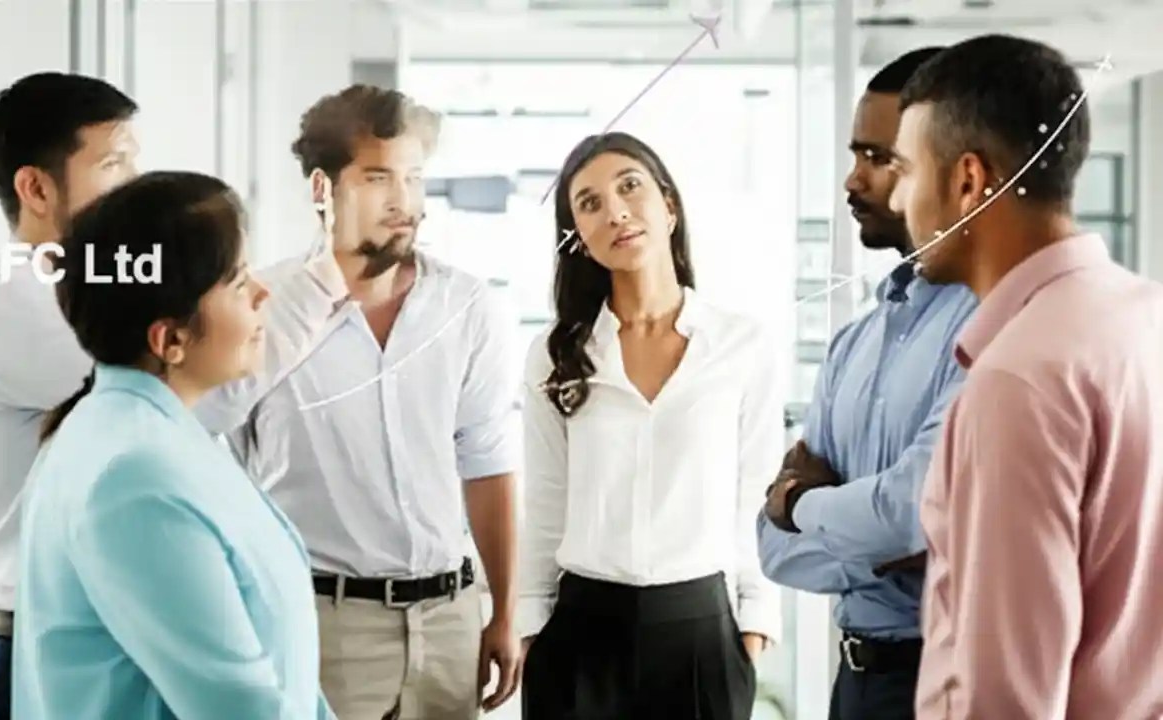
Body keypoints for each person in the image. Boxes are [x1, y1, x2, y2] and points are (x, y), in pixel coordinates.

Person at [195, 84, 522, 720]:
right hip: (323, 626)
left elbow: (485, 461)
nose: (403, 200)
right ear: (323, 189)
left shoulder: (467, 306)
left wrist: (504, 611)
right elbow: (208, 426)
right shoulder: (260, 303)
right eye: (378, 178)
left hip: (449, 623)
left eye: (414, 178)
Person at [887, 34, 1163, 719]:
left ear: (968, 182)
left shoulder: (1020, 380)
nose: (897, 202)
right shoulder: (1145, 318)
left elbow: (1007, 699)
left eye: (904, 171)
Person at [12, 170, 337, 720]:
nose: (264, 293)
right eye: (237, 282)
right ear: (171, 339)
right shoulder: (136, 477)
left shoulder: (152, 434)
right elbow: (239, 706)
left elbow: (280, 682)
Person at [516, 131, 782, 719]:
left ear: (668, 204)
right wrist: (532, 628)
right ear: (579, 238)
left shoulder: (740, 344)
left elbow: (754, 495)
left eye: (629, 187)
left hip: (701, 630)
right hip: (580, 633)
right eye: (589, 203)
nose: (615, 211)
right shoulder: (557, 355)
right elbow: (545, 500)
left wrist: (754, 624)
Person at [756, 48, 978, 720]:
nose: (852, 181)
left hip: (949, 677)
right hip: (855, 683)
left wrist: (805, 506)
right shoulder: (857, 342)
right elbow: (775, 552)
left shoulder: (991, 324)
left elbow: (909, 516)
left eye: (878, 158)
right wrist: (881, 540)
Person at [0, 71, 139, 720]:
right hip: (36, 656)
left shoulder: (90, 291)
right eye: (112, 164)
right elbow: (179, 400)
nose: (134, 186)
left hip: (90, 646)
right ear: (35, 187)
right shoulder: (15, 300)